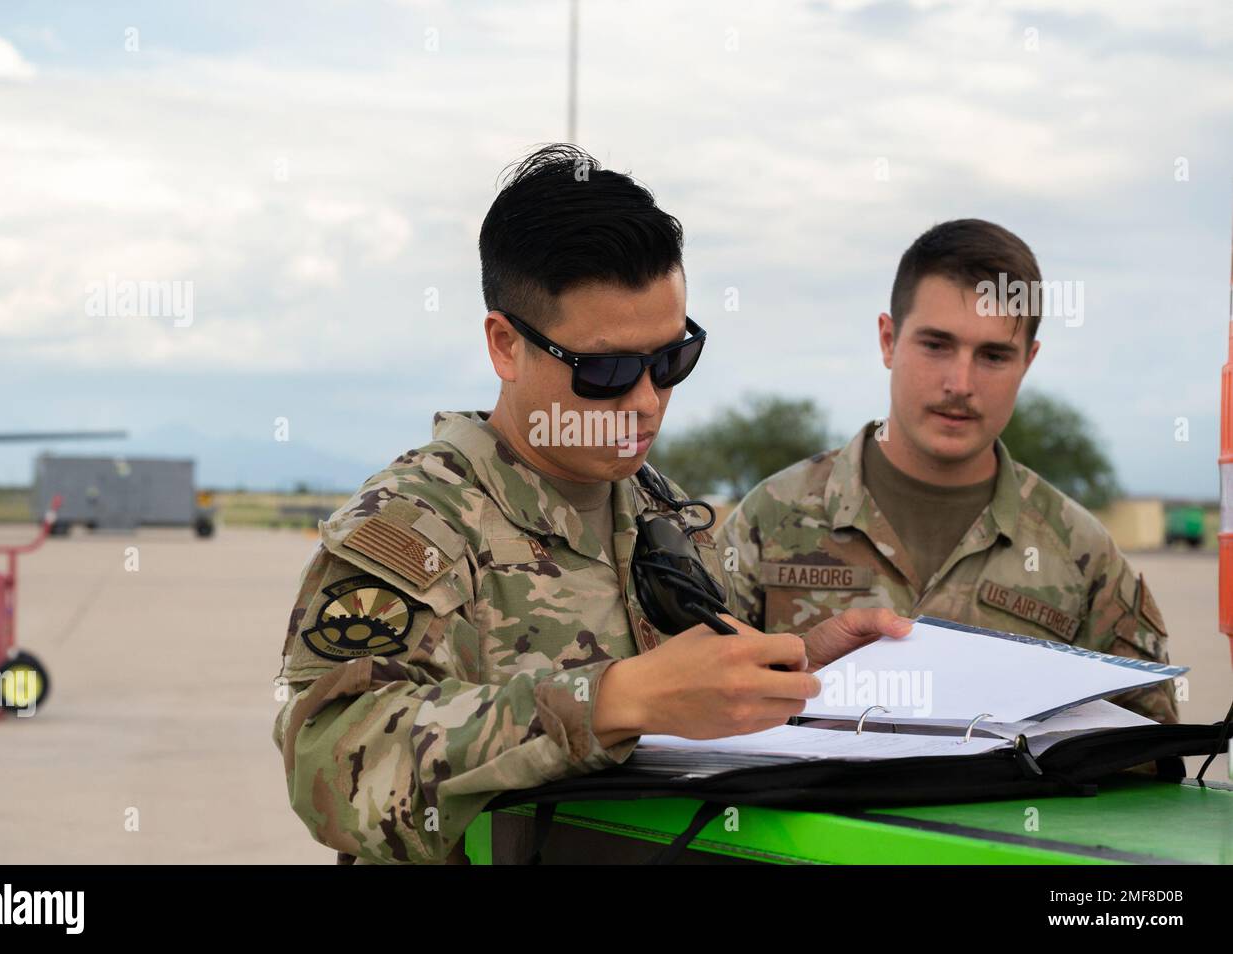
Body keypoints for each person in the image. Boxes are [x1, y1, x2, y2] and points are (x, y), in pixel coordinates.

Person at [271, 144, 911, 864]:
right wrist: (610, 701)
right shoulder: (414, 528)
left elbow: (687, 703)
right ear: (506, 345)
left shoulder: (652, 508)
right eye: (605, 371)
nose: (644, 402)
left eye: (672, 360)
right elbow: (328, 764)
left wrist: (794, 670)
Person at [718, 218, 1177, 724]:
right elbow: (687, 713)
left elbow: (1146, 759)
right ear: (888, 341)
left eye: (994, 355)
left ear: (1028, 361)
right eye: (936, 345)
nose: (960, 383)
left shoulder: (1083, 555)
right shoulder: (768, 521)